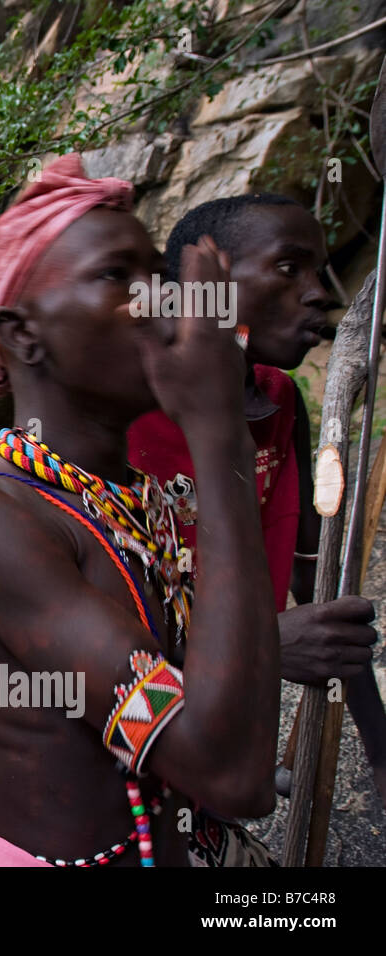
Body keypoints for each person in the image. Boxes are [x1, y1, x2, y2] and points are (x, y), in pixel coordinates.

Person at [0, 156, 280, 867]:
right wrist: (218, 432)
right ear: (24, 336)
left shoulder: (128, 500)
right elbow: (230, 771)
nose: (162, 299)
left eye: (158, 271)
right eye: (118, 276)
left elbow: (201, 685)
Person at [127, 195, 386, 809]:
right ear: (204, 283)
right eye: (290, 267)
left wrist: (379, 751)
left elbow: (316, 585)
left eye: (321, 271)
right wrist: (264, 647)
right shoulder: (127, 423)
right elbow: (104, 667)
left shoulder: (280, 402)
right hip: (141, 754)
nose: (322, 292)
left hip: (232, 729)